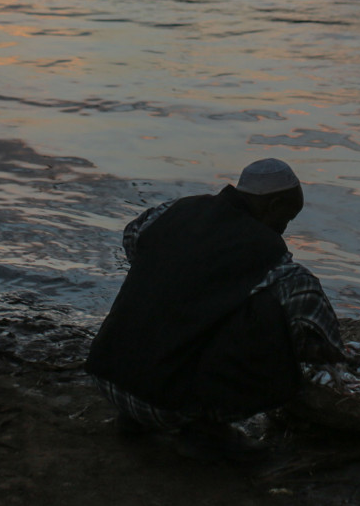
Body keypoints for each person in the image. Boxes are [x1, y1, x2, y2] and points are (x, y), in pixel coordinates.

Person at [84, 158, 345, 459]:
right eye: (286, 218)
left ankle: (135, 417)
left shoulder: (173, 211)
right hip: (166, 406)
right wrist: (333, 355)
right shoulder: (268, 253)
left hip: (108, 380)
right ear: (273, 205)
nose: (283, 230)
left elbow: (133, 238)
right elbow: (316, 322)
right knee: (272, 311)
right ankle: (206, 430)